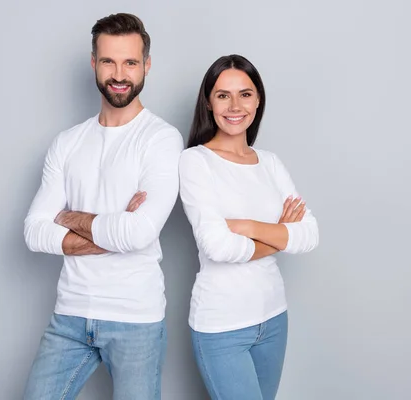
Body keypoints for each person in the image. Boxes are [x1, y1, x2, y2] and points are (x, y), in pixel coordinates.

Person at [23, 13, 183, 400]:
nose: (119, 73)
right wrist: (116, 229)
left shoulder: (161, 139)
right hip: (70, 315)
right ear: (94, 63)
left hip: (136, 318)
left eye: (130, 62)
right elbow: (34, 232)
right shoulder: (67, 142)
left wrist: (70, 219)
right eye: (109, 61)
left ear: (146, 65)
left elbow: (140, 232)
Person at [179, 54, 319, 400]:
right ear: (209, 103)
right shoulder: (195, 161)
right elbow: (217, 247)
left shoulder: (270, 163)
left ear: (258, 100)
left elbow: (310, 234)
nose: (234, 105)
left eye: (245, 93)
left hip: (273, 318)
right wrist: (279, 234)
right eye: (223, 95)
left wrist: (244, 225)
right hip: (222, 324)